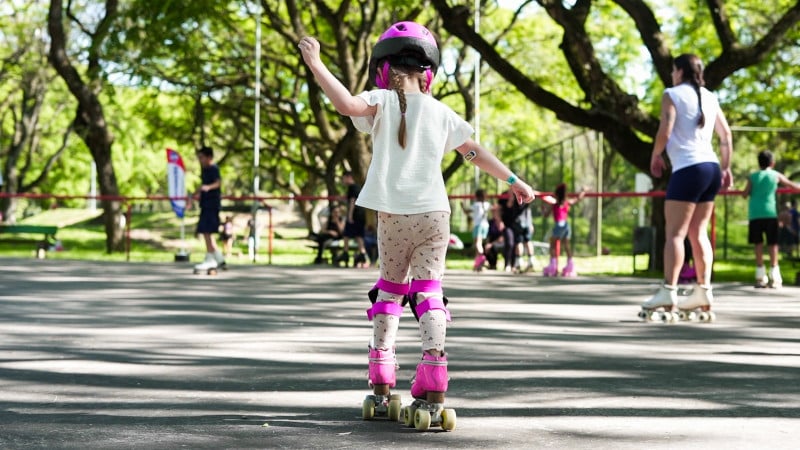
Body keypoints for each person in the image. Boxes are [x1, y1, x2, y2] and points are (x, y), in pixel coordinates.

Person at [298, 21, 536, 425]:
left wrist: (317, 64)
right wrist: (514, 182)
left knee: (390, 292)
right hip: (435, 216)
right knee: (429, 291)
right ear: (429, 75)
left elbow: (346, 105)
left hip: (394, 217)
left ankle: (381, 380)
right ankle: (435, 371)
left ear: (383, 71)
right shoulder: (442, 112)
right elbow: (473, 152)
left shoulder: (381, 101)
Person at [642, 53, 733, 321]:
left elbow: (666, 128)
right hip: (711, 168)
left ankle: (669, 291)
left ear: (680, 71)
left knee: (675, 234)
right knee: (698, 232)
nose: (671, 74)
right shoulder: (710, 96)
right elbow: (725, 135)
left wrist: (656, 155)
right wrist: (726, 167)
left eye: (673, 70)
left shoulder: (672, 93)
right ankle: (703, 292)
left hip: (688, 169)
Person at [742, 150, 800, 288]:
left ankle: (760, 276)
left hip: (755, 214)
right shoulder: (775, 175)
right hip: (770, 213)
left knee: (758, 244)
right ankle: (775, 276)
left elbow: (744, 194)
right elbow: (791, 185)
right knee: (773, 244)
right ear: (772, 163)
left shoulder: (753, 176)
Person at [192, 146, 227, 273]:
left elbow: (218, 183)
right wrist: (194, 194)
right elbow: (202, 186)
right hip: (205, 204)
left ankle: (210, 259)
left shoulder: (213, 169)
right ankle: (219, 258)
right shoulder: (205, 170)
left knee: (207, 231)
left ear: (209, 157)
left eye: (201, 157)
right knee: (206, 232)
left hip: (212, 205)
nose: (200, 160)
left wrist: (208, 187)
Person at [540, 184, 586, 277]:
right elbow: (578, 199)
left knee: (552, 245)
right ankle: (570, 265)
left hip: (559, 225)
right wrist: (583, 191)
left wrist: (543, 210)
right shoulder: (567, 202)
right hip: (566, 225)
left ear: (556, 194)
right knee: (566, 245)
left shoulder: (554, 204)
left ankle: (553, 266)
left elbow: (546, 215)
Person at [340, 171, 369, 268]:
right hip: (361, 215)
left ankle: (345, 253)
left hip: (355, 215)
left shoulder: (352, 187)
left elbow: (352, 201)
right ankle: (362, 254)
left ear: (348, 177)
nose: (343, 181)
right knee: (358, 235)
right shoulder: (357, 187)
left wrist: (350, 215)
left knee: (346, 235)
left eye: (343, 178)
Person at [461, 189, 491, 271]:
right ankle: (477, 264)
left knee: (478, 243)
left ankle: (482, 257)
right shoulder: (487, 204)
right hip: (485, 225)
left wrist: (462, 206)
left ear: (477, 196)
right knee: (480, 243)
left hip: (478, 225)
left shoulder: (476, 205)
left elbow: (466, 212)